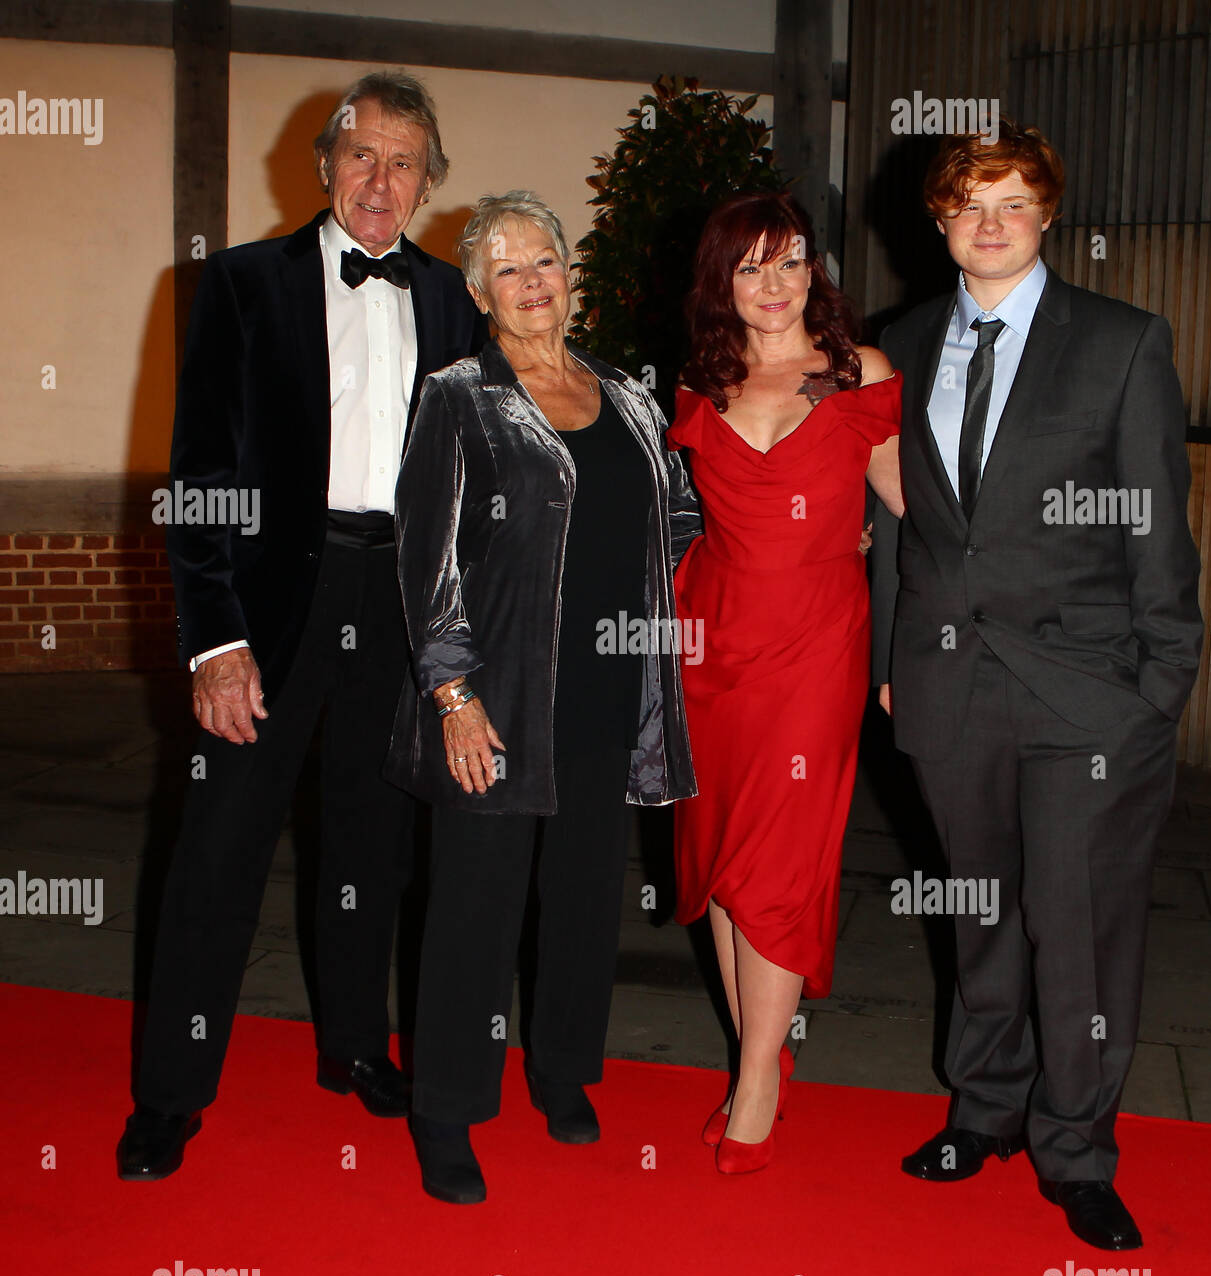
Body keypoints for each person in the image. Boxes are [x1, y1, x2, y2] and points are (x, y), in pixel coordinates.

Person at [116, 72, 485, 1180]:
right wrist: (211, 637)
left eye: (404, 161)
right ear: (322, 162)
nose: (380, 180)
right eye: (362, 154)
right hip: (279, 596)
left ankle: (356, 1049)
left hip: (399, 599)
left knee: (372, 841)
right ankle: (171, 1094)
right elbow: (199, 482)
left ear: (428, 184)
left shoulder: (452, 300)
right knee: (219, 845)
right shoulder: (236, 284)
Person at [870, 120, 1202, 1249]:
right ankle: (983, 1107)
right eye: (969, 201)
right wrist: (887, 665)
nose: (991, 220)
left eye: (1013, 199)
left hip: (1087, 693)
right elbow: (892, 527)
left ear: (1048, 213)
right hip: (949, 685)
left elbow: (1157, 521)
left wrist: (1161, 681)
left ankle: (1076, 1148)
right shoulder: (900, 344)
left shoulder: (1119, 342)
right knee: (978, 914)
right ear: (939, 219)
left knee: (1081, 931)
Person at [384, 190, 700, 1204]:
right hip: (501, 693)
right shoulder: (458, 396)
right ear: (479, 292)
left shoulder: (630, 395)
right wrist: (453, 692)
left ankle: (563, 1069)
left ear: (572, 275)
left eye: (546, 261)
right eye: (507, 268)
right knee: (473, 906)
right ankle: (446, 1103)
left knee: (579, 898)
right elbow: (424, 558)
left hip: (609, 690)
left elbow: (682, 519)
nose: (532, 281)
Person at [667, 192, 903, 1175]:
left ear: (816, 271)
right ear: (721, 280)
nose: (775, 284)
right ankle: (757, 1052)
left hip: (814, 645)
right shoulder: (699, 380)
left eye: (792, 261)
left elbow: (915, 516)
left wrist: (909, 654)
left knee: (775, 863)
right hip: (708, 643)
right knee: (723, 855)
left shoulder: (859, 376)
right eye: (752, 266)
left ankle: (757, 1080)